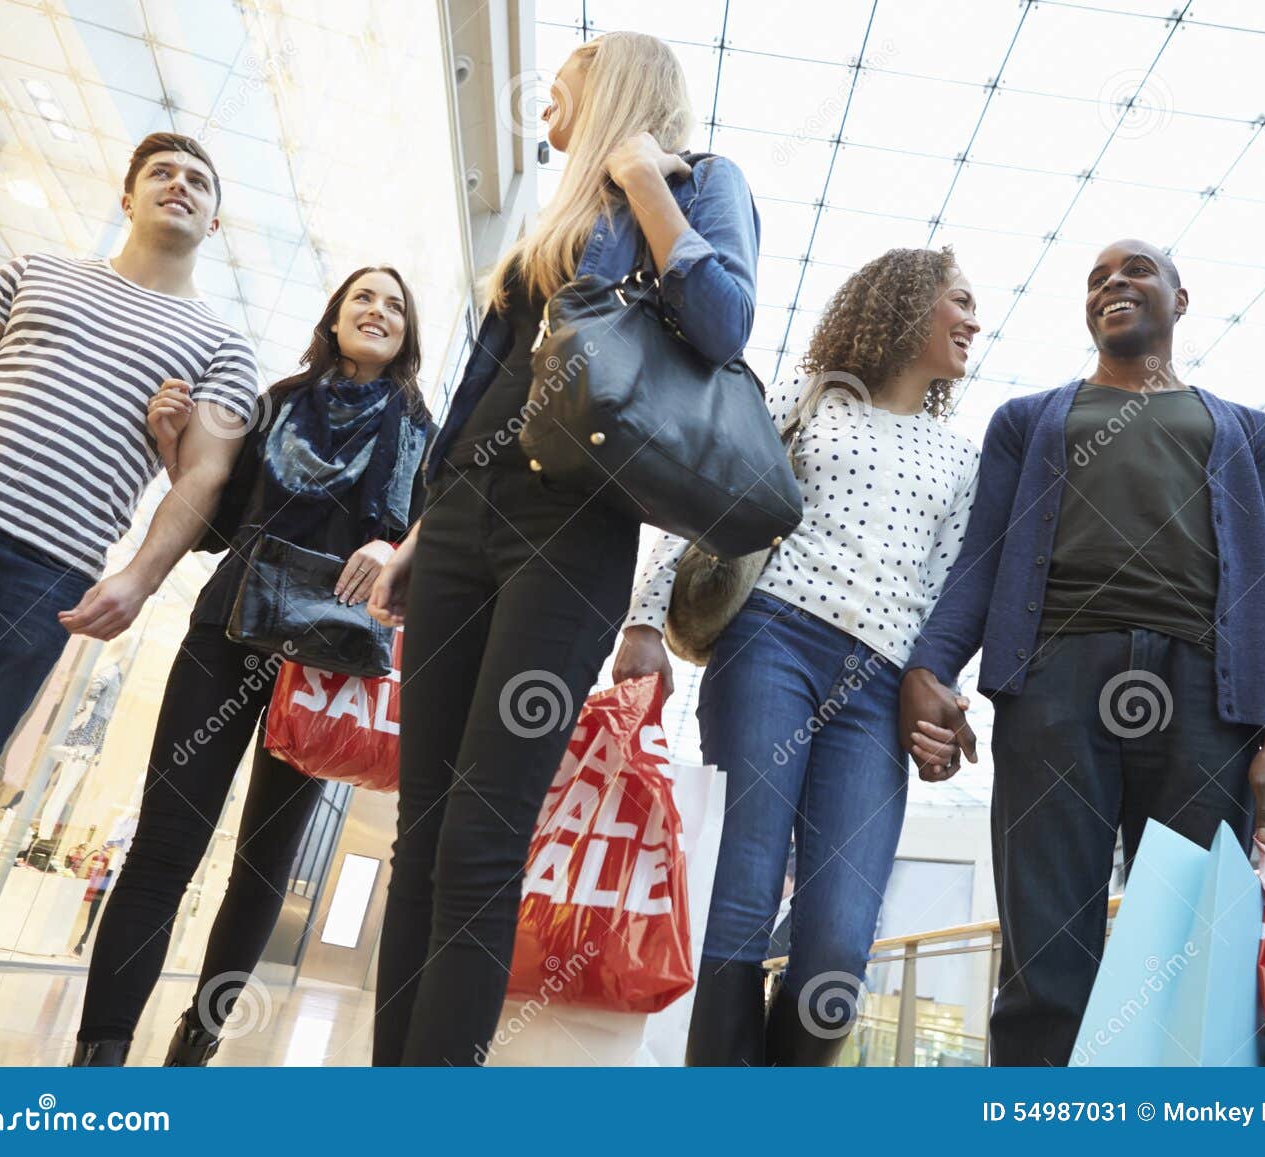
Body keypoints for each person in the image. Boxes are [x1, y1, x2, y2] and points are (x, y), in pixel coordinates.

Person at [365, 30, 759, 1066]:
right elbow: (473, 392)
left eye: (562, 85)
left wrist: (639, 179)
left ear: (617, 90)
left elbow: (723, 323)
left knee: (484, 831)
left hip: (572, 526)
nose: (546, 104)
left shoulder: (700, 181)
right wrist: (418, 527)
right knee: (422, 829)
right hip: (462, 518)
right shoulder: (551, 221)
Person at [903, 239, 1265, 1066]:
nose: (1114, 284)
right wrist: (929, 668)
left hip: (1210, 697)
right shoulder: (1028, 422)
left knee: (1193, 958)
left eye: (1135, 271)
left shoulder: (1250, 434)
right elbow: (981, 561)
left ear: (1181, 296)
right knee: (1046, 954)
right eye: (1097, 279)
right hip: (1055, 685)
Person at [0, 133, 259, 966]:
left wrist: (138, 577)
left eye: (199, 179)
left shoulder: (223, 350)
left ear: (216, 219)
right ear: (126, 199)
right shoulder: (34, 270)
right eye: (160, 173)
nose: (179, 184)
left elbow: (203, 475)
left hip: (40, 577)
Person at [617, 247, 982, 1065]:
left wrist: (942, 697)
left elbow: (949, 596)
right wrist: (643, 620)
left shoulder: (963, 458)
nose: (973, 320)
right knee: (738, 893)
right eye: (958, 300)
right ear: (904, 303)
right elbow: (706, 499)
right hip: (771, 643)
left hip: (880, 687)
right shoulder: (806, 397)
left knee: (838, 946)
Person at [72, 267, 431, 1066]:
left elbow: (433, 538)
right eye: (362, 297)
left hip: (328, 656)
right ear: (334, 314)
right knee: (167, 839)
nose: (377, 310)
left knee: (264, 861)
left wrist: (395, 544)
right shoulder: (278, 400)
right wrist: (174, 446)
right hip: (229, 626)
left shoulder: (417, 424)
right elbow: (217, 522)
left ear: (409, 334)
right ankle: (99, 1056)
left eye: (396, 305)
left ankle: (195, 1046)